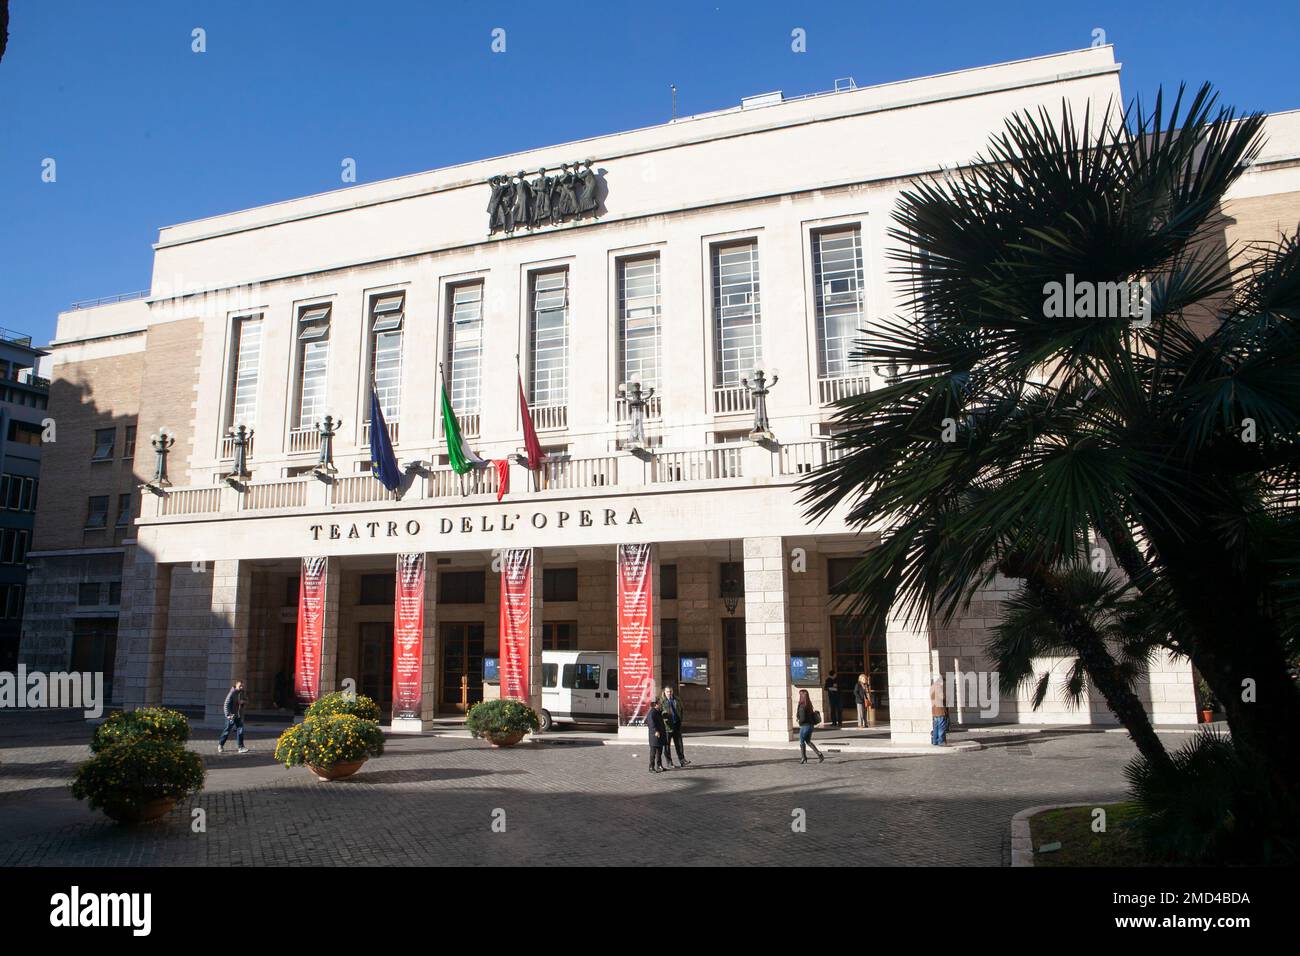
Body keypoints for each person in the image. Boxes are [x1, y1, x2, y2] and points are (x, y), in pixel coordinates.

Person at [658, 685, 690, 767]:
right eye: (667, 692)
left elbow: (681, 710)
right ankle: (669, 762)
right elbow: (658, 713)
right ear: (664, 692)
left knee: (679, 743)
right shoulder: (661, 701)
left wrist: (680, 720)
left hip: (676, 724)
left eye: (670, 691)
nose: (669, 693)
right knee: (667, 745)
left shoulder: (677, 699)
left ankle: (682, 760)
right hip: (667, 726)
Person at [218, 679, 249, 754]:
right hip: (231, 716)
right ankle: (220, 745)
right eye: (240, 686)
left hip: (238, 715)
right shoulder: (232, 693)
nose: (241, 687)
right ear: (236, 685)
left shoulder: (242, 693)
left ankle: (240, 747)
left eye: (242, 686)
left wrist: (243, 702)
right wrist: (228, 715)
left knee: (240, 730)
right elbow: (226, 705)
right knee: (227, 731)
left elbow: (247, 700)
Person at [795, 689, 825, 764]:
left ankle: (803, 758)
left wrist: (799, 721)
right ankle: (819, 754)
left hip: (804, 726)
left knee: (802, 742)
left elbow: (802, 719)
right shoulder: (809, 704)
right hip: (811, 726)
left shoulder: (802, 706)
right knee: (808, 741)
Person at [647, 700, 669, 773]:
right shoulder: (652, 713)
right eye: (660, 704)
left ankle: (659, 765)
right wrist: (655, 731)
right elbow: (651, 723)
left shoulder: (658, 712)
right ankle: (651, 767)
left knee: (660, 751)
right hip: (654, 736)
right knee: (653, 752)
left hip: (661, 734)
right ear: (656, 704)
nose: (661, 705)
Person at [930, 676, 949, 746]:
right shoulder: (938, 687)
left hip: (934, 710)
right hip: (940, 710)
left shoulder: (932, 687)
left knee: (935, 727)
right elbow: (942, 697)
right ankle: (941, 741)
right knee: (941, 726)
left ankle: (935, 741)